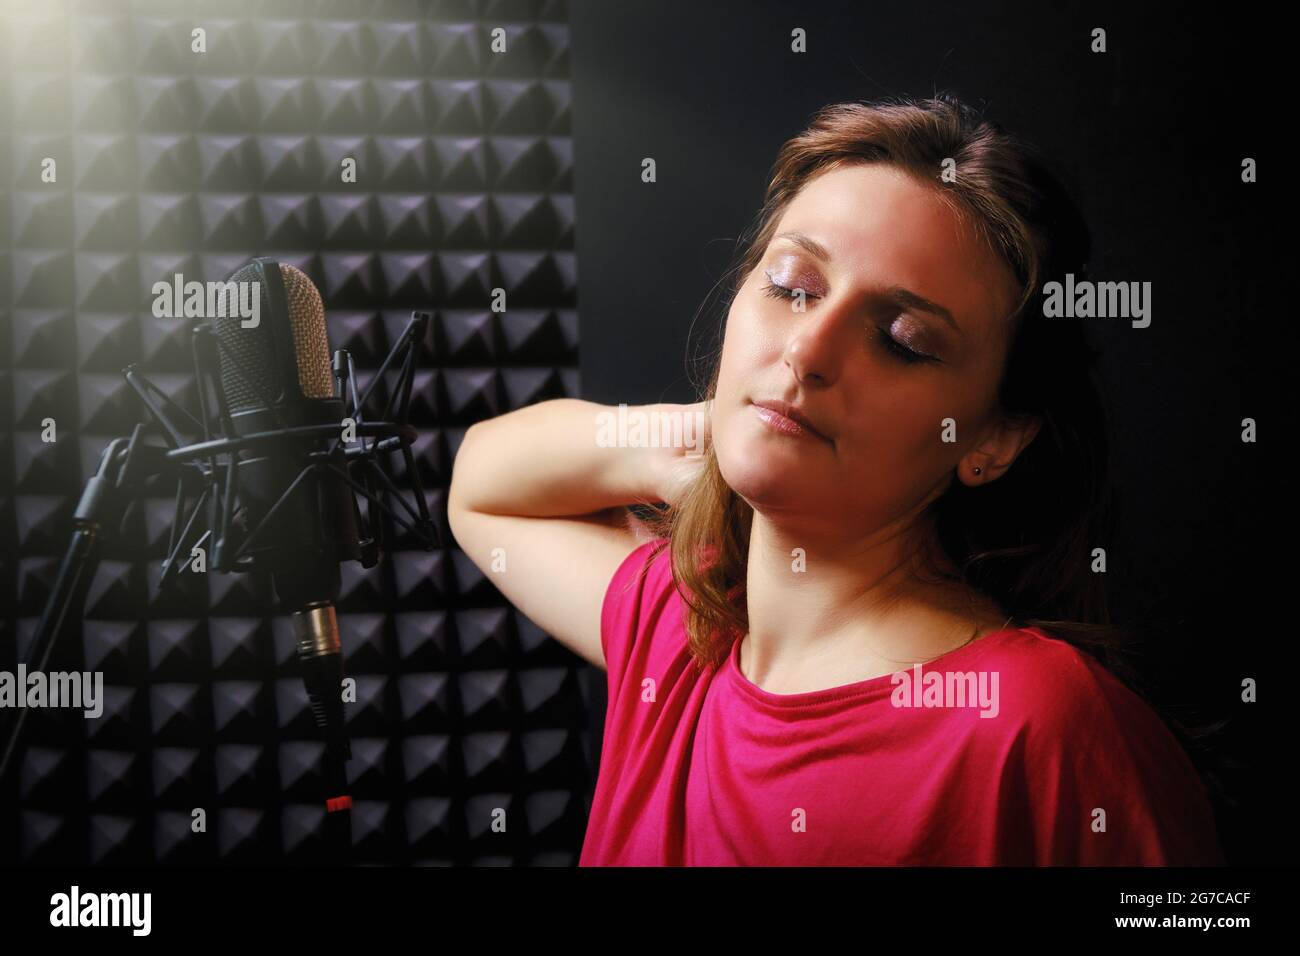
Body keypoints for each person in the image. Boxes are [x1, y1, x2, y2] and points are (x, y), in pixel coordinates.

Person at [447, 94, 1225, 866]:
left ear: (994, 436)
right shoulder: (682, 632)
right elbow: (482, 483)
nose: (808, 349)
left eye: (902, 340)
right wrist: (702, 432)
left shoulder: (1042, 727)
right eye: (791, 286)